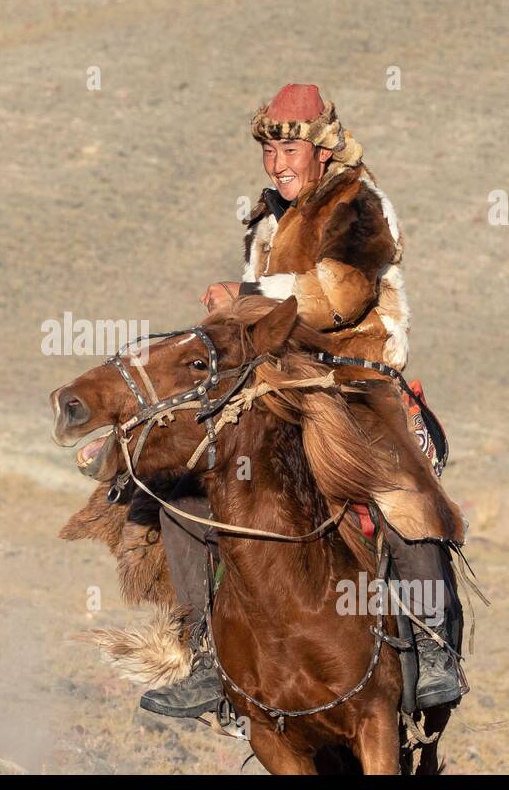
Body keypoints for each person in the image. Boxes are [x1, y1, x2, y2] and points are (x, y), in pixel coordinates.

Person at [139, 83, 467, 719]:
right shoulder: (267, 219)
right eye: (268, 149)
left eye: (288, 147)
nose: (276, 162)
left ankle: (432, 649)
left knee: (399, 488)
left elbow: (341, 295)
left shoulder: (358, 204)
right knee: (181, 488)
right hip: (281, 384)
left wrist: (245, 291)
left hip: (357, 382)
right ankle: (205, 657)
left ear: (321, 149)